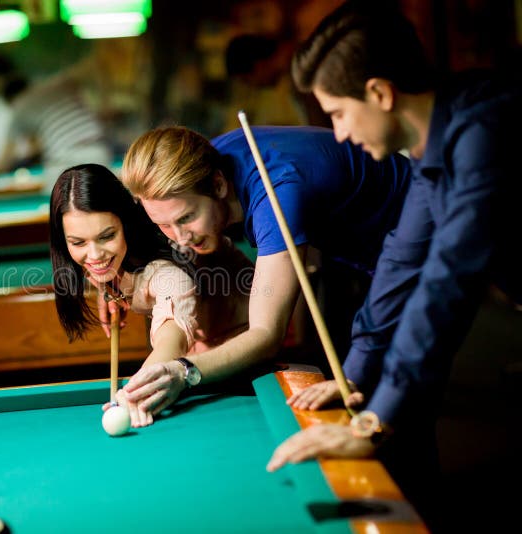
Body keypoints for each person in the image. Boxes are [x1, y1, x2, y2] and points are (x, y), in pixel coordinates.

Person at [266, 1, 522, 529]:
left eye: (337, 113)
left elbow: (445, 283)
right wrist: (356, 376)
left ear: (381, 93)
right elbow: (403, 262)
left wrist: (375, 423)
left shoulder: (483, 133)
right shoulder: (437, 143)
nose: (337, 133)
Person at [113, 124, 412, 425]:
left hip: (419, 236)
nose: (180, 238)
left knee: (398, 399)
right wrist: (115, 278)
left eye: (187, 218)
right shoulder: (194, 163)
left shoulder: (276, 197)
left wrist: (182, 371)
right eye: (164, 225)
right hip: (366, 247)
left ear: (218, 185)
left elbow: (266, 335)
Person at [49, 163, 252, 427]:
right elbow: (101, 262)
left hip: (240, 358)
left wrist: (134, 390)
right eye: (78, 242)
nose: (95, 254)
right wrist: (109, 290)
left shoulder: (166, 273)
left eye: (107, 236)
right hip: (198, 356)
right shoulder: (112, 258)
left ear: (126, 224)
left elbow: (172, 337)